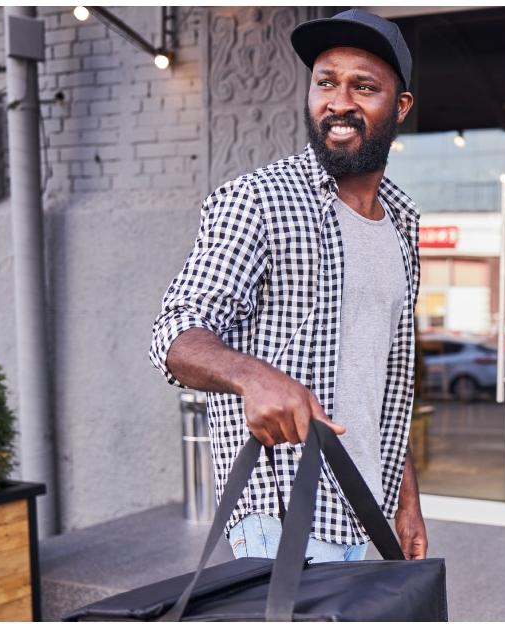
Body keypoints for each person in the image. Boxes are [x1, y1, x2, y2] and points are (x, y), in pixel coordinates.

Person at [148, 9, 426, 564]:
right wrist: (253, 377)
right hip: (280, 517)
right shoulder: (257, 201)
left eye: (363, 86)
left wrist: (405, 497)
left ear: (400, 107)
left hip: (362, 502)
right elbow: (173, 334)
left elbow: (381, 375)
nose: (339, 102)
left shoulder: (402, 219)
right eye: (325, 82)